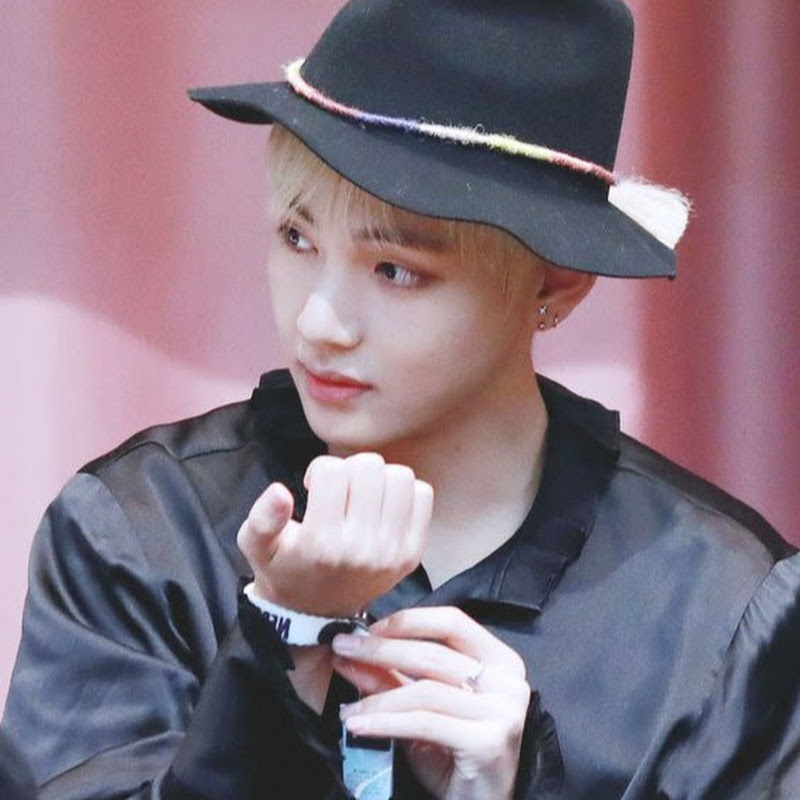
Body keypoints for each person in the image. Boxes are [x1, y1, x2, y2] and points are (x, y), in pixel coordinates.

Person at [3, 0, 799, 798]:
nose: (319, 323)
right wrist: (282, 638)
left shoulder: (718, 610)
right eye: (296, 238)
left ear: (555, 283)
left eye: (395, 271)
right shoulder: (142, 536)